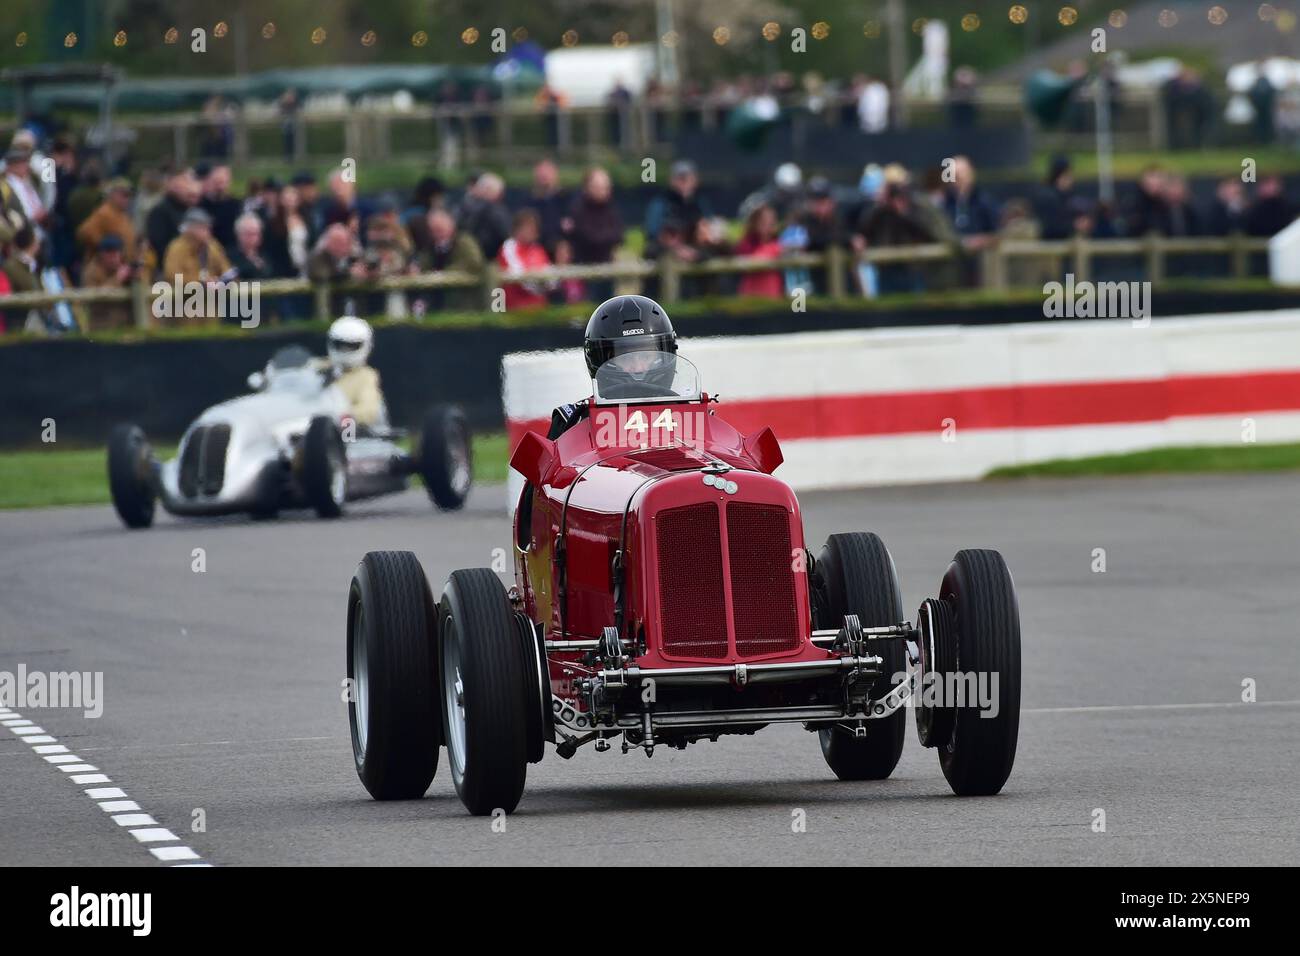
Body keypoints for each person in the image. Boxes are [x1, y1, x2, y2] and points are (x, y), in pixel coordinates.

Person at [548, 294, 679, 440]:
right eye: (625, 358)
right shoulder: (572, 420)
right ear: (598, 358)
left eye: (646, 357)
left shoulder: (691, 412)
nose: (638, 368)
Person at [317, 316, 386, 430]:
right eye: (340, 344)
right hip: (307, 428)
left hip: (350, 432)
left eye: (351, 346)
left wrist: (342, 416)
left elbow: (368, 408)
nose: (345, 350)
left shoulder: (366, 376)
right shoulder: (317, 367)